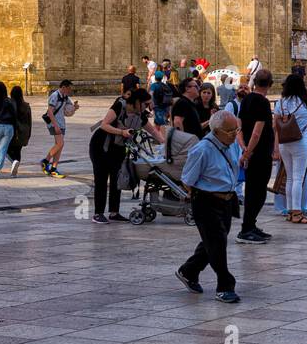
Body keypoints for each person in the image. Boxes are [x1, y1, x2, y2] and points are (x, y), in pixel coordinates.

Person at [177, 109, 243, 304]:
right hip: (206, 200)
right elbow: (187, 180)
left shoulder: (231, 145)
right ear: (216, 131)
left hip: (227, 200)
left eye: (236, 129)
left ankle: (188, 271)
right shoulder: (202, 149)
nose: (234, 134)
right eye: (230, 131)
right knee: (217, 243)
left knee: (214, 241)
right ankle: (225, 285)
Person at [89, 87, 161, 224]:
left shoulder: (140, 115)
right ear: (138, 102)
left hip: (118, 148)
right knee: (101, 179)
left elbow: (152, 131)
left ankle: (114, 212)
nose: (148, 107)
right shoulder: (119, 106)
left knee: (117, 179)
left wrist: (165, 143)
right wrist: (122, 132)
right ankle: (98, 214)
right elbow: (104, 125)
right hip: (101, 146)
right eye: (146, 104)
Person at [237, 68, 275, 242]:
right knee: (258, 192)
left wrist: (244, 148)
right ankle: (246, 229)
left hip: (250, 151)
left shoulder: (246, 100)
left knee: (253, 190)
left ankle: (251, 224)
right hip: (259, 154)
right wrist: (248, 152)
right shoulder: (262, 103)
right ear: (270, 85)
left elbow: (239, 126)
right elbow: (256, 133)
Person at [275, 72, 307, 223]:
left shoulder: (280, 103)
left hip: (284, 142)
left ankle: (290, 211)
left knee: (290, 178)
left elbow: (276, 125)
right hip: (300, 141)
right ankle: (298, 212)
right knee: (298, 178)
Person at [41, 79, 74, 178]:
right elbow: (50, 112)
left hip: (61, 123)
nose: (70, 91)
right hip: (54, 123)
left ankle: (54, 168)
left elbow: (67, 110)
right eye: (68, 88)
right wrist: (55, 126)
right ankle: (45, 161)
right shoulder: (54, 96)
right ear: (63, 87)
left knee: (59, 145)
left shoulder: (65, 97)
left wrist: (74, 108)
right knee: (60, 143)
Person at [5, 85, 32, 178]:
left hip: (12, 131)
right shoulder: (26, 106)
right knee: (18, 151)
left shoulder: (9, 104)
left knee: (6, 150)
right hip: (23, 132)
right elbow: (30, 121)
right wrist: (28, 134)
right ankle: (14, 171)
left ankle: (13, 162)